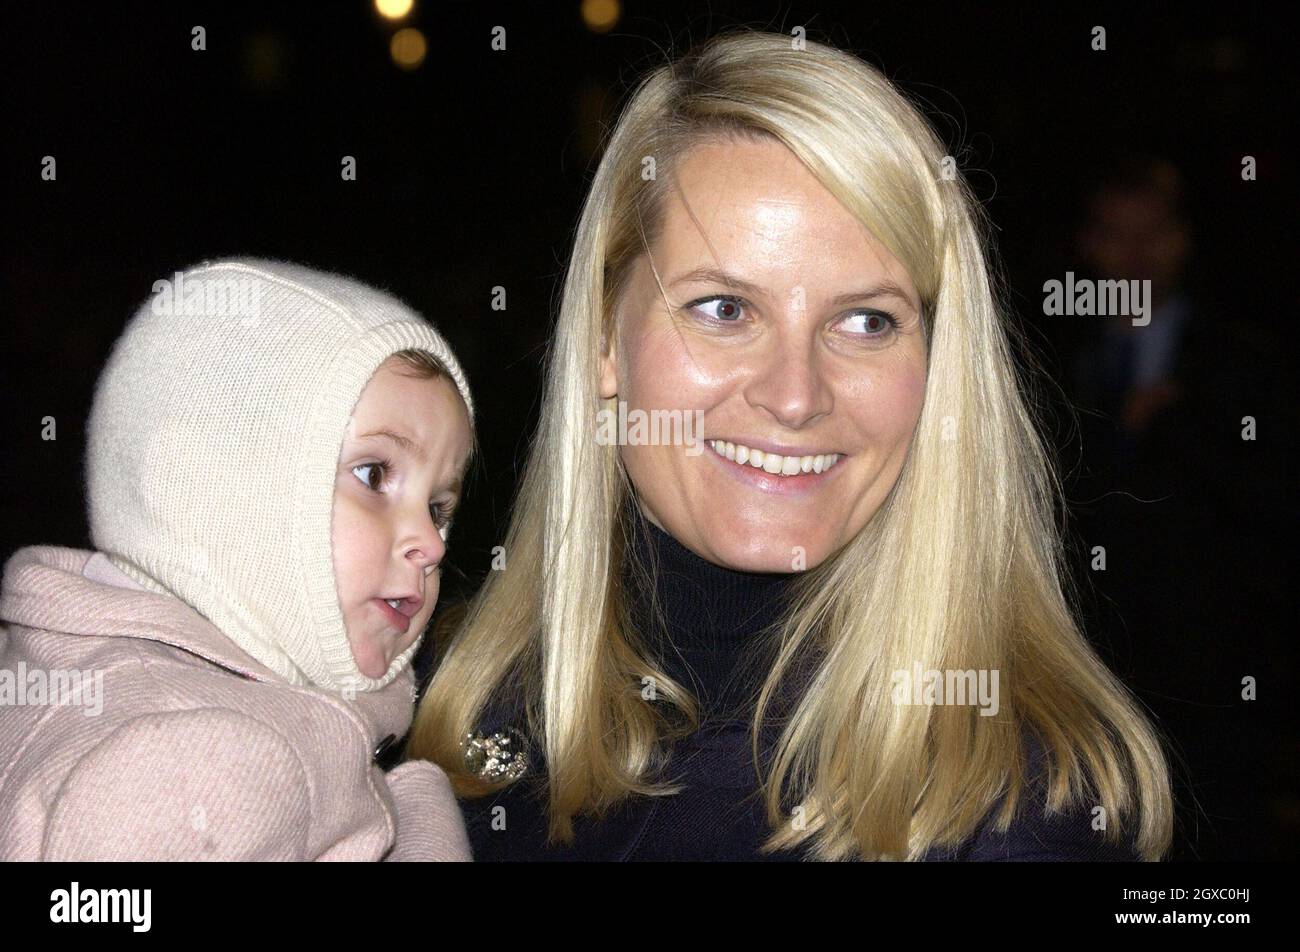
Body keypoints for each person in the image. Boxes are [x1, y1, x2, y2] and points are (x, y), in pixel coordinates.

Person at [409, 31, 1174, 861]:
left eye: (865, 321)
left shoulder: (1008, 810)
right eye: (724, 309)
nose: (795, 395)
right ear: (603, 336)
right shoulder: (444, 708)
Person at [0, 258, 475, 860]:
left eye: (438, 506)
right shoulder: (210, 760)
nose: (431, 545)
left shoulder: (69, 667)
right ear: (203, 486)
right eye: (373, 473)